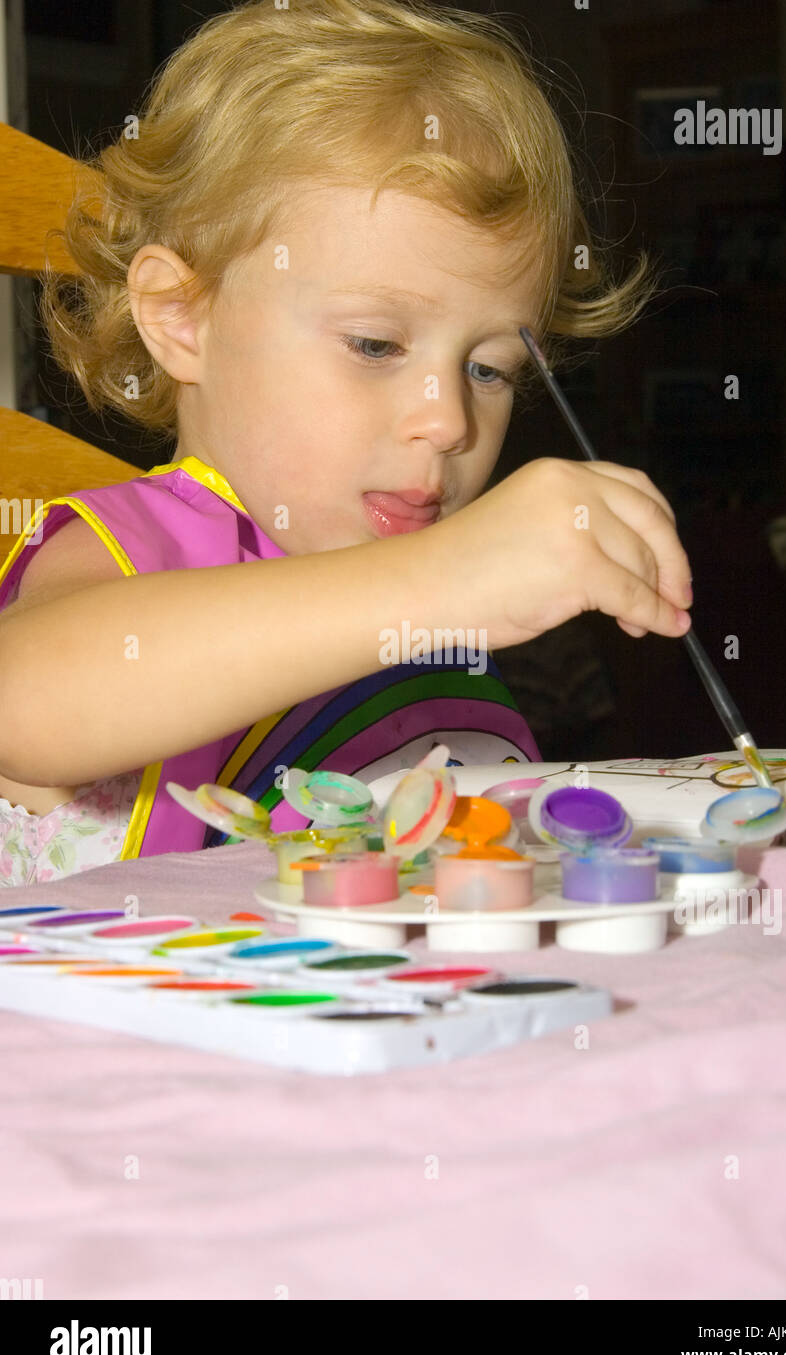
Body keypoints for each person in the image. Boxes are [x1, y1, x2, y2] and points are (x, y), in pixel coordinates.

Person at [0, 0, 691, 886]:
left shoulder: (443, 620)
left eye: (489, 369)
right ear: (182, 318)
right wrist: (441, 584)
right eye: (375, 345)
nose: (447, 421)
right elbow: (25, 700)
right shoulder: (138, 551)